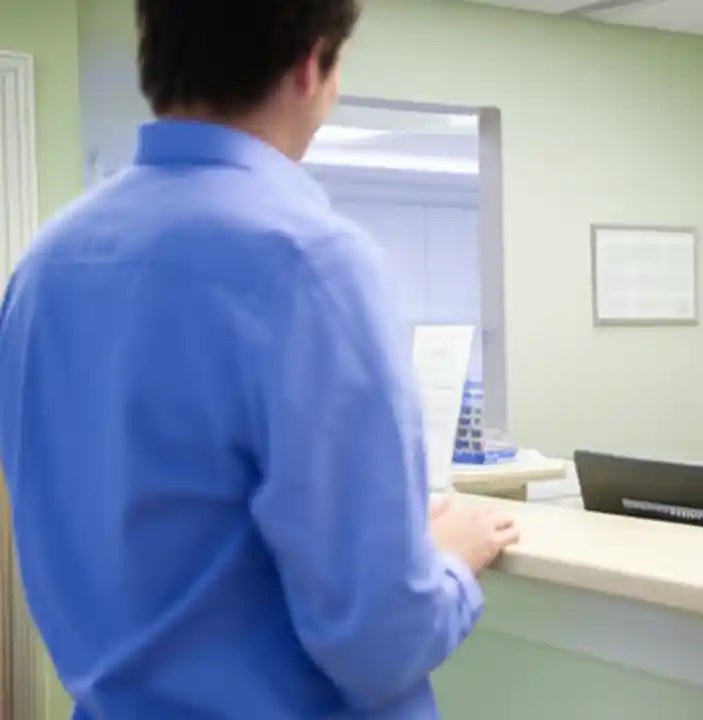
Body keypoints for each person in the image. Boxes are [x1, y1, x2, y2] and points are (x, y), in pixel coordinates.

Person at [0, 1, 518, 717]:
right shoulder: (313, 263)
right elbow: (380, 640)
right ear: (313, 64)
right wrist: (452, 559)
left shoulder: (44, 267)